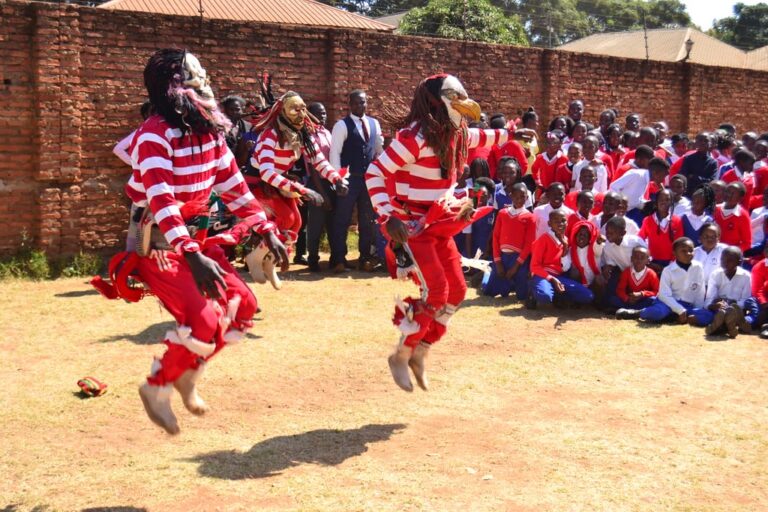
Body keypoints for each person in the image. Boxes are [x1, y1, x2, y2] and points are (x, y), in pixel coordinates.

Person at [111, 49, 289, 435]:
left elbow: (235, 188)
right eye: (197, 77)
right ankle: (156, 386)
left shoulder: (210, 133)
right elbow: (160, 201)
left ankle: (187, 376)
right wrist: (191, 255)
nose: (207, 84)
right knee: (204, 320)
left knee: (243, 307)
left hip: (198, 243)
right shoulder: (153, 136)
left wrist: (265, 227)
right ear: (175, 87)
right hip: (160, 245)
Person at [365, 74, 508, 392]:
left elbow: (482, 138)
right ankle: (401, 354)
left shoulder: (455, 133)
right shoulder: (414, 138)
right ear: (435, 101)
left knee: (457, 291)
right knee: (438, 292)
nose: (463, 101)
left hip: (440, 224)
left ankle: (420, 351)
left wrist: (512, 134)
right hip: (412, 228)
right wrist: (387, 216)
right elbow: (375, 171)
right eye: (454, 95)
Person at [250, 91, 348, 286]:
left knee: (295, 224)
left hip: (280, 183)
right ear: (283, 112)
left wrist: (336, 179)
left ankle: (269, 262)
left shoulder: (301, 134)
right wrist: (304, 190)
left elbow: (319, 161)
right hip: (257, 182)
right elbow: (267, 173)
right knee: (288, 219)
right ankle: (254, 259)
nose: (301, 114)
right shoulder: (270, 135)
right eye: (295, 109)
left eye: (303, 109)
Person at [329, 90, 384, 272]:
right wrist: (338, 179)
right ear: (350, 104)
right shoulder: (341, 125)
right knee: (342, 219)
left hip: (368, 180)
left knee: (367, 220)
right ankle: (338, 259)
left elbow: (378, 151)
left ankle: (365, 258)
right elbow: (335, 153)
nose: (360, 106)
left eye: (363, 102)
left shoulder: (374, 124)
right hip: (348, 179)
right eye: (356, 103)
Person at [528, 210, 594, 309]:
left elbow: (565, 268)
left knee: (587, 296)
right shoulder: (544, 239)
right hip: (543, 275)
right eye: (556, 221)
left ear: (567, 223)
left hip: (559, 277)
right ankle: (532, 293)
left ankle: (558, 297)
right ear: (550, 223)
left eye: (563, 221)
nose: (560, 224)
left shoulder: (566, 240)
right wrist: (552, 279)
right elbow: (534, 266)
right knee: (545, 296)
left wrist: (565, 247)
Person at [638, 237, 711, 325]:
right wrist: (680, 310)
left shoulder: (698, 267)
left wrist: (698, 310)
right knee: (658, 312)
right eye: (683, 251)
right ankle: (639, 313)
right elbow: (664, 295)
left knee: (708, 315)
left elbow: (700, 291)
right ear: (674, 253)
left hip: (687, 306)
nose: (688, 253)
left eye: (691, 250)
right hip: (668, 304)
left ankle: (674, 317)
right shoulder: (668, 270)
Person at [482, 183, 535, 300]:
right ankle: (487, 275)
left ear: (527, 198)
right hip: (502, 257)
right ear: (511, 196)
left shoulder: (530, 217)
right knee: (489, 292)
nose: (519, 200)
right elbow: (495, 237)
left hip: (519, 259)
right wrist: (498, 262)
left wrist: (516, 266)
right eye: (516, 197)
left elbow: (528, 244)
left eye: (523, 197)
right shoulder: (502, 213)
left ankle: (513, 284)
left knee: (522, 296)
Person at [304, 102, 335, 272]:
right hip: (317, 184)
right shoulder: (308, 136)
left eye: (324, 113)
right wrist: (322, 194)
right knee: (315, 223)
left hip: (331, 181)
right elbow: (314, 168)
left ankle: (333, 259)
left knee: (331, 222)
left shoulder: (327, 133)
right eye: (318, 113)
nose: (322, 116)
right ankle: (313, 260)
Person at [704, 246, 754, 337]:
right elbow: (709, 298)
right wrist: (713, 305)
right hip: (720, 308)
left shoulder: (746, 276)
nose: (725, 263)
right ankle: (731, 325)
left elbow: (745, 299)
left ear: (739, 262)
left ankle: (721, 325)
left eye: (730, 260)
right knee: (716, 313)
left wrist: (732, 304)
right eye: (722, 259)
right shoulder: (715, 274)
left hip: (737, 308)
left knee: (732, 310)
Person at [638, 188, 683, 272]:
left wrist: (672, 263)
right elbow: (640, 240)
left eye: (667, 199)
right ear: (656, 202)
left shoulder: (677, 221)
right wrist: (648, 259)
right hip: (652, 263)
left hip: (671, 264)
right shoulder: (648, 220)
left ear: (671, 202)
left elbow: (679, 244)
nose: (664, 202)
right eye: (661, 199)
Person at [613, 246, 659, 319]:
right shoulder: (626, 272)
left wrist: (642, 294)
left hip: (643, 300)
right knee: (613, 299)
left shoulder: (651, 274)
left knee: (653, 300)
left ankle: (629, 311)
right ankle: (631, 310)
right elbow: (620, 289)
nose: (639, 260)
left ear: (648, 260)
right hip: (629, 300)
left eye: (642, 257)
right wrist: (627, 298)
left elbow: (657, 291)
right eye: (636, 257)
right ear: (631, 258)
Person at [714, 181, 751, 252]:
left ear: (740, 198)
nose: (729, 195)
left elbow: (747, 243)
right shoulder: (715, 209)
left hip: (729, 255)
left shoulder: (742, 215)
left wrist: (732, 251)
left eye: (733, 193)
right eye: (727, 191)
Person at [678, 132, 718, 197]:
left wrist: (694, 177)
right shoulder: (688, 159)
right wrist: (702, 179)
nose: (703, 143)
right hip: (688, 194)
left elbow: (711, 181)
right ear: (696, 143)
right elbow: (684, 176)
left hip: (704, 194)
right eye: (700, 140)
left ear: (710, 144)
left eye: (706, 141)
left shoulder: (713, 162)